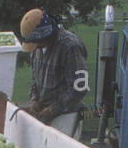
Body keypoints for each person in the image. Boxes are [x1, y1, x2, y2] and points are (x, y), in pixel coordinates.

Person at [18, 8, 88, 138]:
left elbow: (79, 88)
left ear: (45, 35)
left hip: (66, 115)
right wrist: (34, 99)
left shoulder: (70, 46)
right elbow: (35, 79)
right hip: (46, 114)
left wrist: (52, 110)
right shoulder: (37, 48)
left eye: (37, 43)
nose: (36, 47)